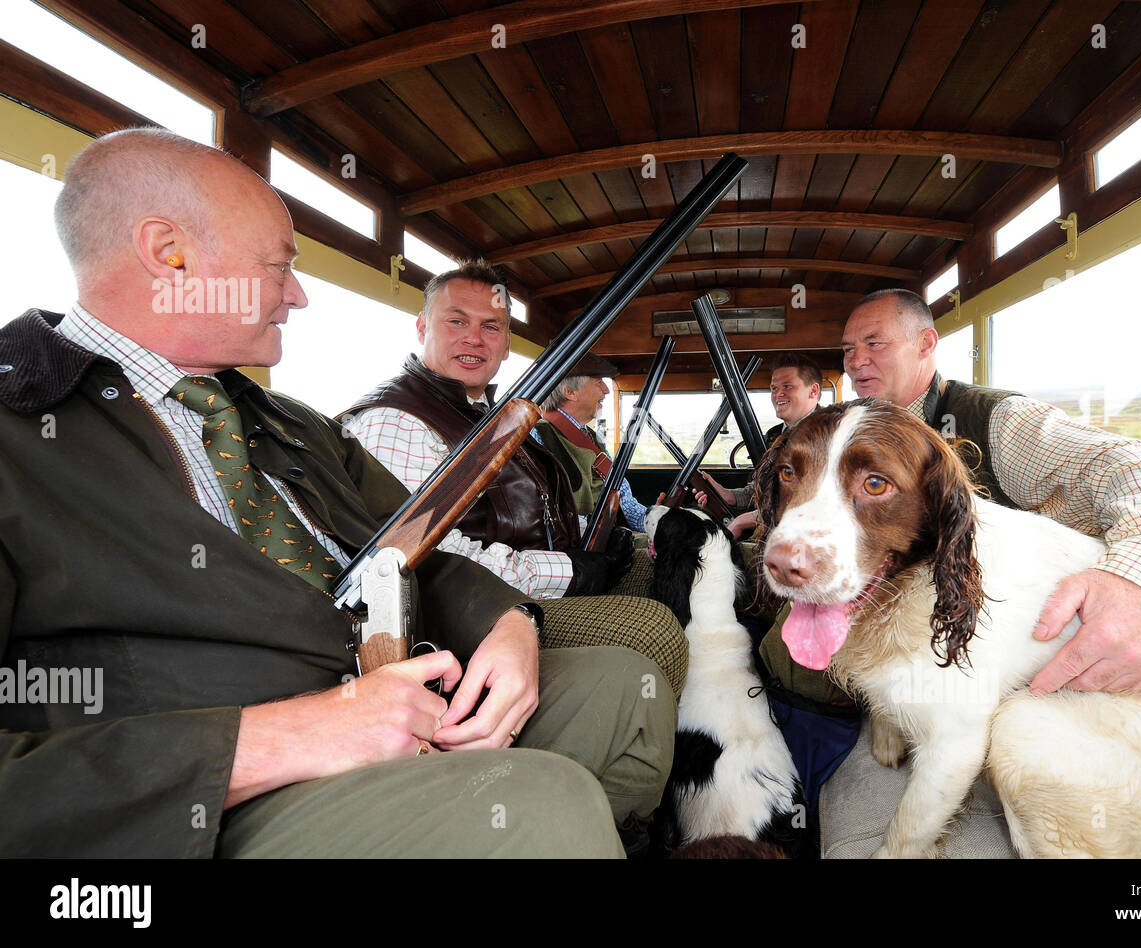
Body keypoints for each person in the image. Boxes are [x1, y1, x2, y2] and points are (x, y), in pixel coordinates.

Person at [0, 128, 674, 858]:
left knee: (625, 694)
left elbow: (412, 544)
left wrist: (509, 622)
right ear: (171, 254)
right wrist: (265, 743)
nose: (298, 295)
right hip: (205, 803)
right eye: (278, 266)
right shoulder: (19, 430)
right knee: (545, 806)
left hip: (396, 698)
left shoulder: (291, 423)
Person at [764, 286, 1141, 699]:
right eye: (849, 350)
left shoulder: (998, 421)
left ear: (926, 344)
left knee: (793, 675)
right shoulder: (848, 425)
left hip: (987, 643)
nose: (857, 362)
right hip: (898, 632)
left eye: (875, 343)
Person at [343, 261, 687, 696]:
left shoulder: (488, 416)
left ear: (506, 344)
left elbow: (526, 511)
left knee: (660, 566)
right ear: (422, 327)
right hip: (474, 615)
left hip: (528, 585)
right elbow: (438, 561)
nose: (474, 338)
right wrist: (570, 571)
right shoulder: (396, 421)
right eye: (457, 321)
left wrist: (593, 534)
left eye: (491, 327)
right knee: (653, 630)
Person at [694, 352, 825, 538]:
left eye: (787, 386)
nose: (778, 394)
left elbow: (814, 502)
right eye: (773, 388)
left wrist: (746, 520)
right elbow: (762, 489)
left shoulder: (828, 436)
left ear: (813, 391)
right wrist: (728, 496)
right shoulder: (774, 436)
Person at [534, 355, 648, 532]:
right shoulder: (537, 435)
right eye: (598, 382)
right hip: (572, 545)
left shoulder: (591, 437)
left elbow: (625, 501)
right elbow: (539, 508)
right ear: (569, 392)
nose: (606, 390)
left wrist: (658, 521)